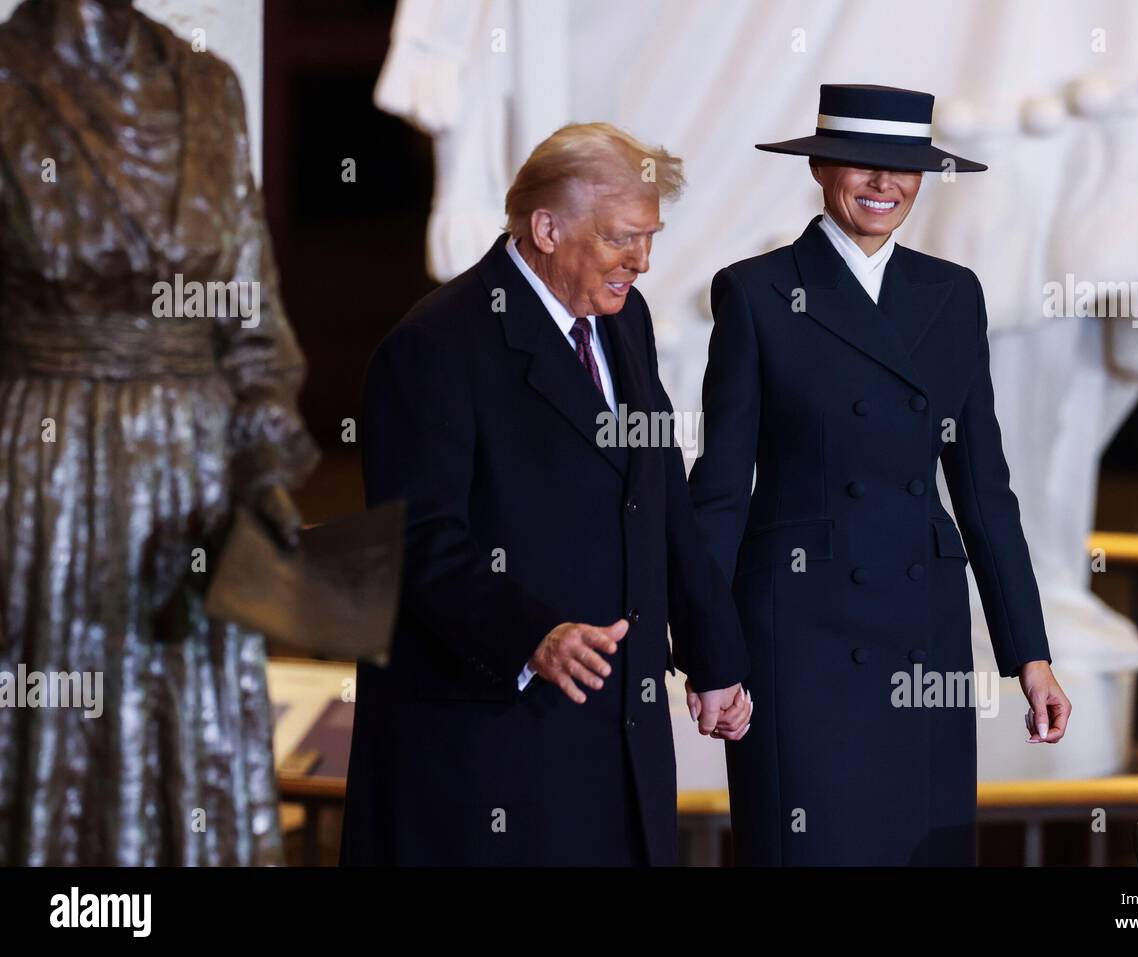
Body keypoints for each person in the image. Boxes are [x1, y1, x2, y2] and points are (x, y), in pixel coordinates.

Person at [341, 122, 751, 866]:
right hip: (494, 748)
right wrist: (533, 633)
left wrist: (713, 654)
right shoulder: (434, 347)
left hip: (619, 741)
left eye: (650, 237)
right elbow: (416, 540)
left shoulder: (625, 323)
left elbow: (657, 499)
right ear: (547, 228)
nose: (643, 262)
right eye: (622, 238)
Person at [688, 84, 1072, 865]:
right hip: (797, 635)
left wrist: (1029, 653)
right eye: (863, 164)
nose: (883, 184)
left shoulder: (952, 294)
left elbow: (984, 489)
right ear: (822, 167)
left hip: (920, 633)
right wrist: (709, 652)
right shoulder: (757, 292)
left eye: (903, 167)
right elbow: (722, 489)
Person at [0, 0, 316, 865]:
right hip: (42, 466)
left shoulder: (209, 89)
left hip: (190, 470)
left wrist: (261, 473)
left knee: (188, 719)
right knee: (54, 714)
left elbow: (248, 312)